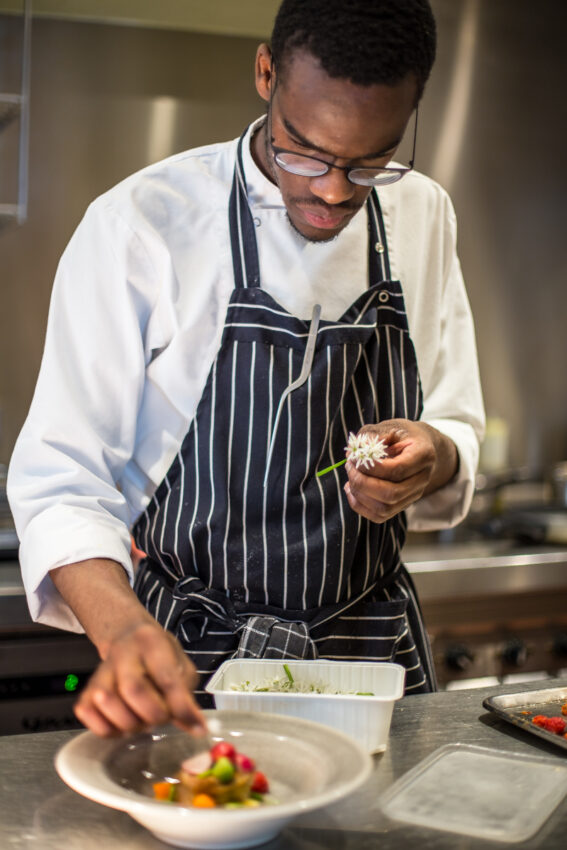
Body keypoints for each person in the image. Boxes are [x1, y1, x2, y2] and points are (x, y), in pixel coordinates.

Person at [7, 0, 484, 737]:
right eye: (305, 152)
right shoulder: (143, 224)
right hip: (188, 662)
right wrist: (123, 631)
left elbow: (454, 420)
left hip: (371, 662)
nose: (331, 190)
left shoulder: (423, 214)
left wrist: (437, 455)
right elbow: (62, 479)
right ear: (266, 73)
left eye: (369, 162)